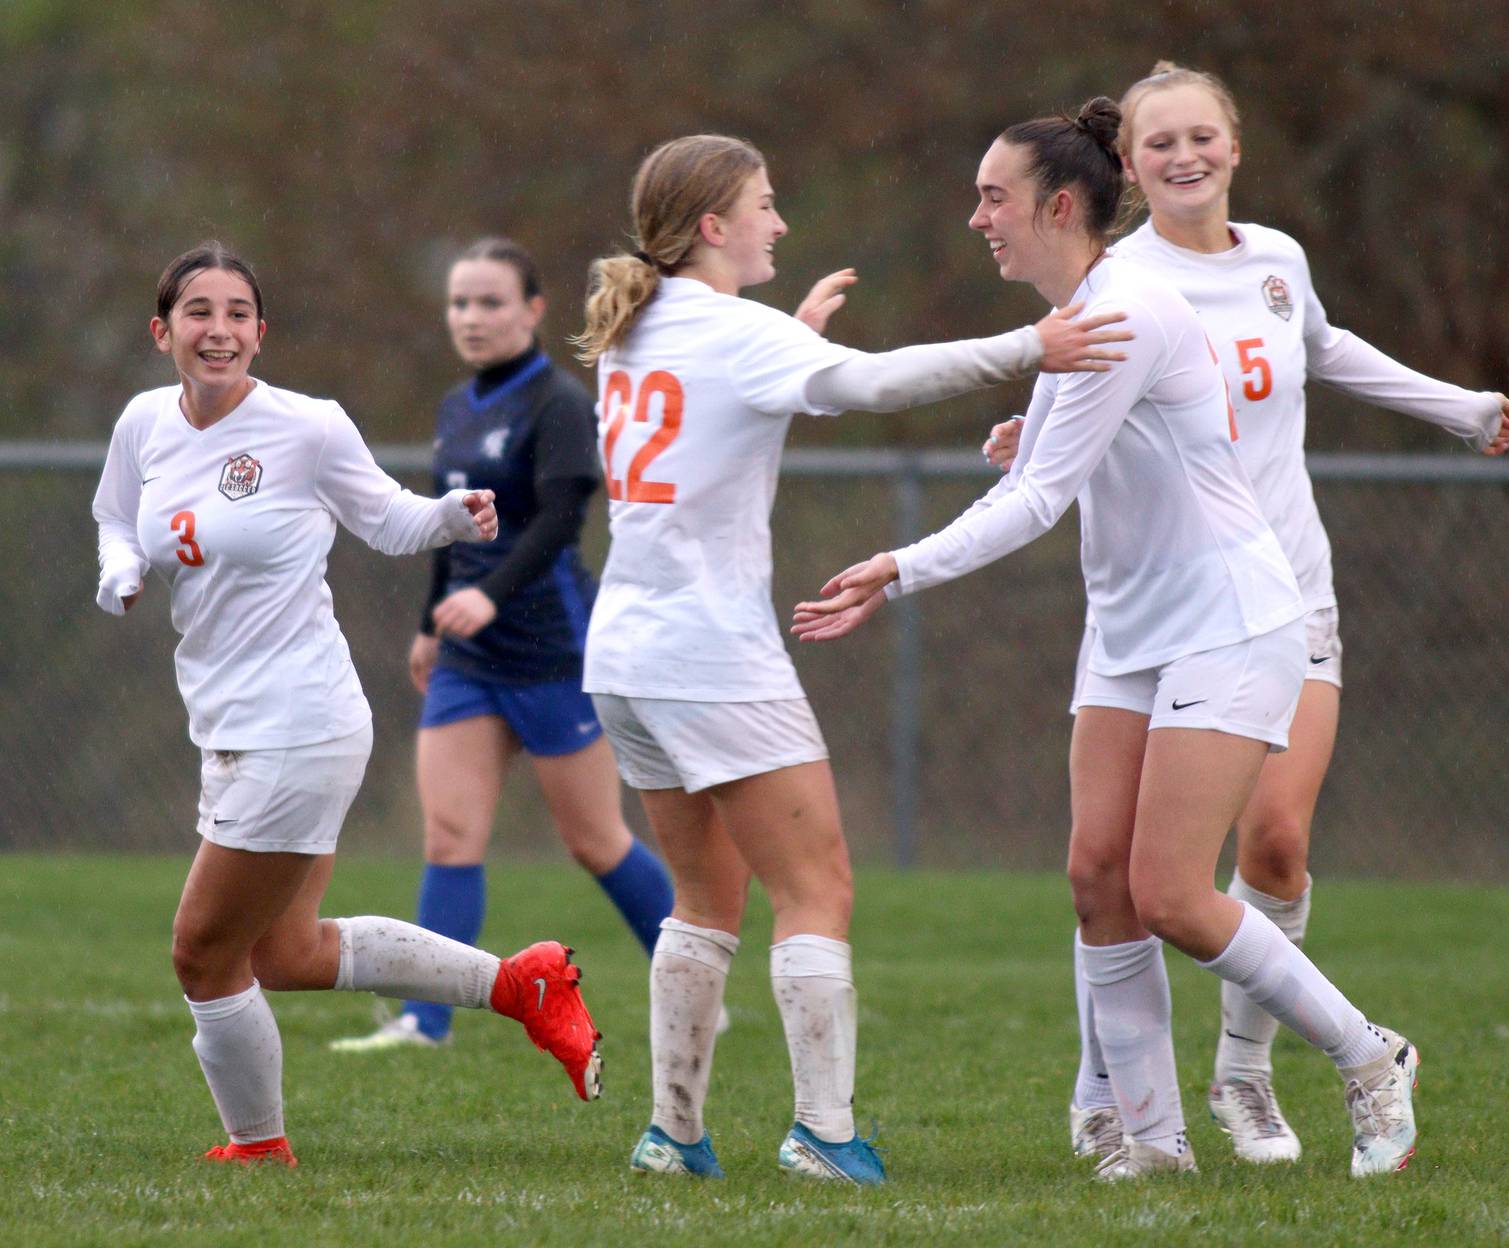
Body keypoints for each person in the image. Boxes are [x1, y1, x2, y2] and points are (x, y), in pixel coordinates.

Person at [794, 101, 1427, 1180]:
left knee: (1173, 894)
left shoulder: (1124, 308)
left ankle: (1370, 1058)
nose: (976, 219)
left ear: (1056, 205)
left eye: (992, 199)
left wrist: (899, 567)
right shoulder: (1078, 313)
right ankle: (1153, 1143)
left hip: (1228, 620)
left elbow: (1039, 500)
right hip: (1131, 631)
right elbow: (1046, 458)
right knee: (1098, 879)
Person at [983, 64, 1509, 1167]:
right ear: (1125, 167)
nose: (1184, 157)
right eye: (1158, 144)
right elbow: (1058, 419)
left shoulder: (1278, 261)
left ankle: (1247, 1078)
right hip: (1146, 606)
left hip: (1279, 596)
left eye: (1202, 137)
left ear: (1234, 146)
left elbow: (1322, 349)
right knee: (1105, 871)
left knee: (1270, 843)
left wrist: (1460, 409)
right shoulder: (1114, 275)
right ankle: (1116, 1106)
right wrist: (1022, 442)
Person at [573, 133, 1132, 1184]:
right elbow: (871, 386)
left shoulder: (641, 326)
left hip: (626, 656)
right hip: (710, 656)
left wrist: (788, 343)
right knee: (817, 885)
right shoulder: (728, 332)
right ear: (712, 227)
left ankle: (673, 1135)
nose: (780, 222)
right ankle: (824, 1136)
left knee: (702, 901)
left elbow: (740, 395)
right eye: (766, 204)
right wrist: (1030, 347)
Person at [92, 242, 602, 1168]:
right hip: (229, 723)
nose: (220, 330)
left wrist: (453, 516)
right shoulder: (143, 423)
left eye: (239, 313)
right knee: (286, 955)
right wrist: (121, 568)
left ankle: (259, 1150)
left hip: (300, 721)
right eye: (199, 312)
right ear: (163, 331)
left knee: (203, 953)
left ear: (261, 332)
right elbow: (115, 519)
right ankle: (521, 986)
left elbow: (390, 519)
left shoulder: (307, 427)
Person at [330, 238, 675, 1053]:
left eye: (490, 302)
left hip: (553, 652)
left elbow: (561, 519)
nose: (472, 318)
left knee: (596, 840)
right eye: (460, 303)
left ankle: (690, 977)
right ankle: (427, 1020)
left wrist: (491, 594)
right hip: (466, 660)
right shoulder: (457, 408)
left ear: (533, 310)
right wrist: (431, 619)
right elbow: (453, 523)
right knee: (450, 835)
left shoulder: (555, 402)